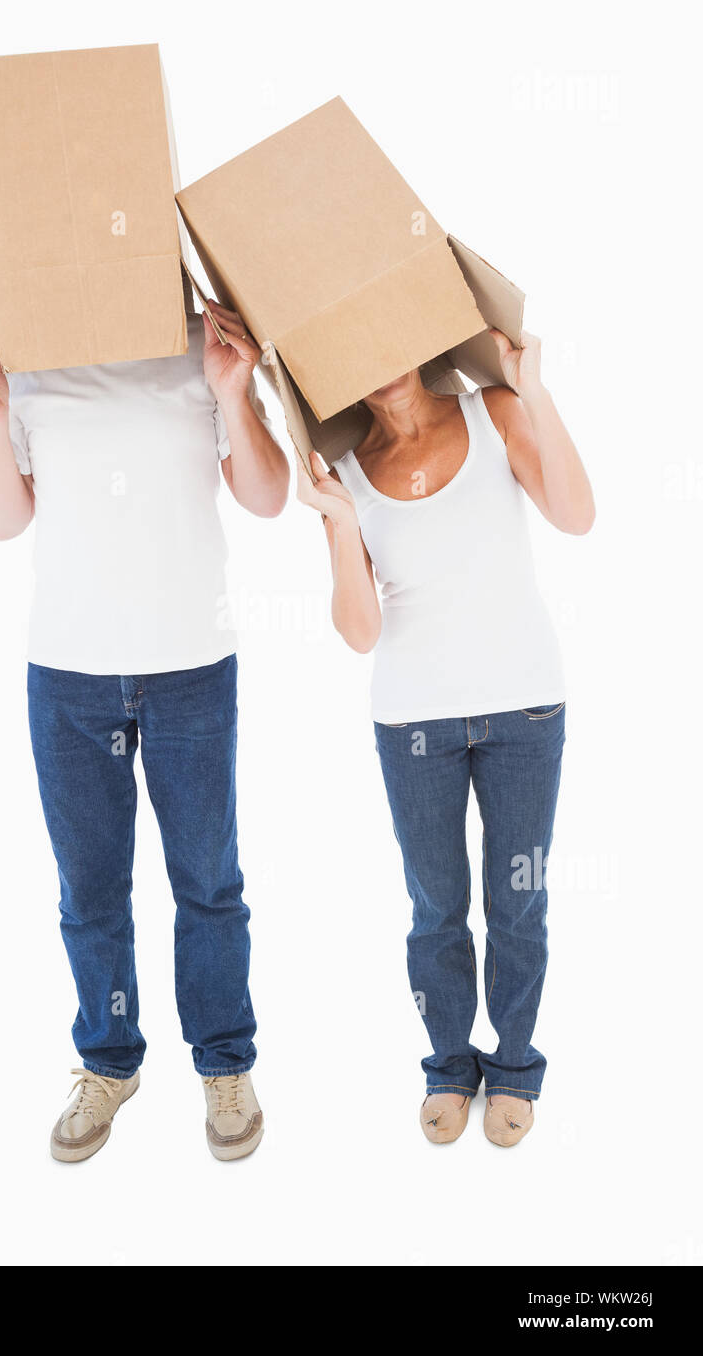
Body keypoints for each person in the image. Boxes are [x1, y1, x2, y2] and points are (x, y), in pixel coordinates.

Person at [0, 300, 289, 1162]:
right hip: (69, 675)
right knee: (90, 892)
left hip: (190, 670)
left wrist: (233, 388)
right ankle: (108, 1062)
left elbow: (267, 495)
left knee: (208, 884)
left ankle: (224, 1063)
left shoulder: (197, 342)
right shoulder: (30, 352)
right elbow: (2, 519)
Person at [297, 329, 594, 1147]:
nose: (381, 363)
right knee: (436, 911)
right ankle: (447, 1065)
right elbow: (359, 631)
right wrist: (333, 520)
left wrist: (535, 389)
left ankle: (518, 1064)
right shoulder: (348, 473)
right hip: (413, 719)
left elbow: (576, 514)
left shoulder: (494, 411)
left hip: (525, 708)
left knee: (518, 904)